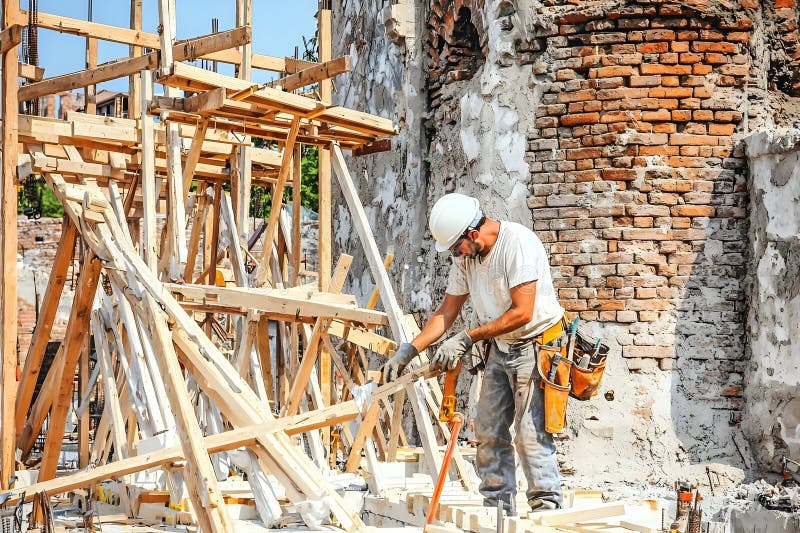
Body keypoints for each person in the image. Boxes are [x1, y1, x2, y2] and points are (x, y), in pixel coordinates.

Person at [384, 192, 566, 513]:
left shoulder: (518, 244)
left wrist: (468, 338)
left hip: (537, 343)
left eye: (457, 247)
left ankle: (545, 510)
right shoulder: (466, 257)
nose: (456, 254)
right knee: (488, 428)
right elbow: (446, 311)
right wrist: (410, 350)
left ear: (472, 234)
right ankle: (497, 509)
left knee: (530, 434)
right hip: (501, 346)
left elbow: (522, 312)